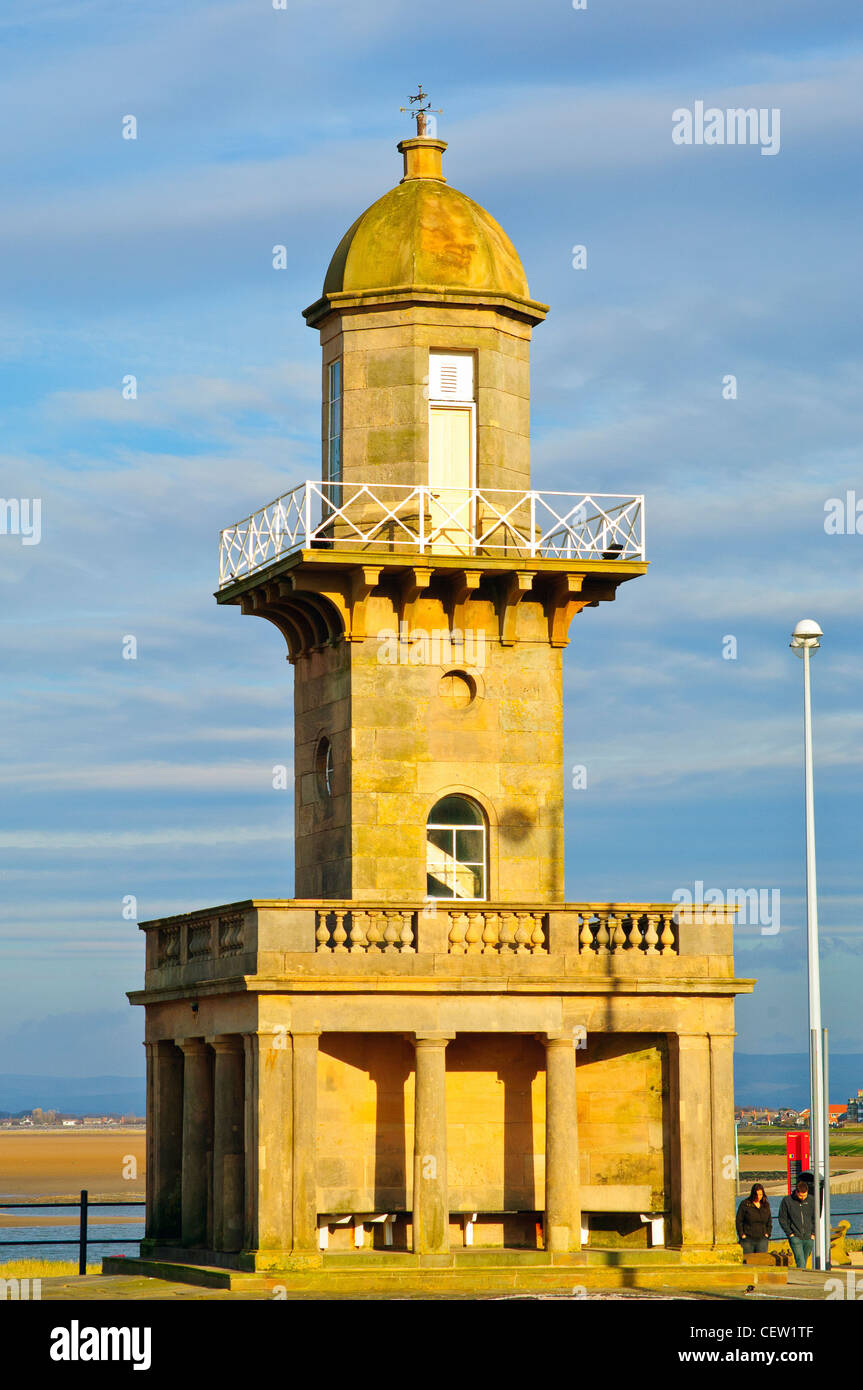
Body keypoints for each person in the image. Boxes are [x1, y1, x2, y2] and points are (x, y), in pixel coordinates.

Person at [778, 1179, 816, 1268]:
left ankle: (801, 1275)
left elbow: (815, 1217)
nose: (803, 1197)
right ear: (796, 1192)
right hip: (795, 1237)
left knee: (804, 1260)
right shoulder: (787, 1201)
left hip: (809, 1237)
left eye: (805, 1195)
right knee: (800, 1261)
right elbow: (782, 1218)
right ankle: (802, 1279)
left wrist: (813, 1234)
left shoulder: (811, 1200)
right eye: (801, 1195)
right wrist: (790, 1234)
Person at [736, 1182, 772, 1254]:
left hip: (762, 1239)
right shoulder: (745, 1204)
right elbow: (739, 1220)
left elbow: (769, 1221)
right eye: (756, 1195)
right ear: (753, 1194)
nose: (758, 1197)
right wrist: (742, 1234)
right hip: (748, 1239)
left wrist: (768, 1233)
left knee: (761, 1262)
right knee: (748, 1262)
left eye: (760, 1194)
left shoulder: (766, 1205)